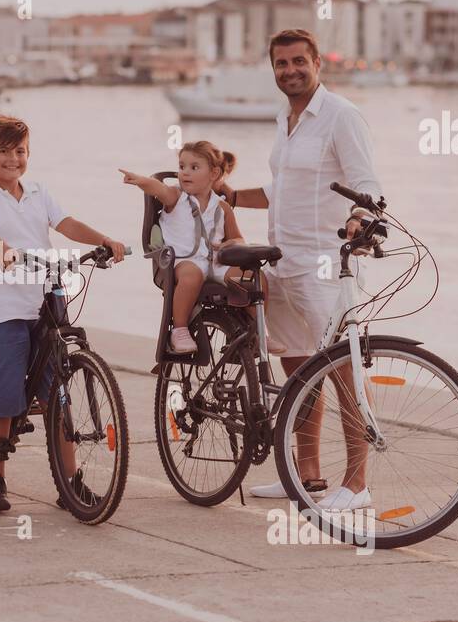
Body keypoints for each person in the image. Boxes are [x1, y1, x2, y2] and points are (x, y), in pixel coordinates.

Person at [213, 29, 383, 513]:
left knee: (341, 370)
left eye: (298, 62)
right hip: (281, 259)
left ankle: (356, 484)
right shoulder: (284, 118)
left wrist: (358, 220)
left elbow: (366, 185)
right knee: (298, 370)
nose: (290, 71)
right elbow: (280, 189)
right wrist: (231, 195)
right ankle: (305, 476)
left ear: (317, 64)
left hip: (325, 263)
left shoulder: (342, 117)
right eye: (281, 64)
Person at [0, 114, 126, 513]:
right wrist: (1, 247)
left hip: (44, 299)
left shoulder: (39, 191)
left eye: (20, 151)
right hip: (3, 304)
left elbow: (66, 224)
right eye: (4, 151)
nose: (13, 159)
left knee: (59, 394)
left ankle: (69, 482)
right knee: (2, 396)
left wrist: (103, 239)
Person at [119, 141, 265, 353]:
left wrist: (228, 244)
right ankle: (179, 330)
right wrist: (141, 181)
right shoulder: (176, 197)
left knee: (254, 276)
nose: (185, 173)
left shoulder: (222, 207)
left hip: (214, 262)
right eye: (181, 167)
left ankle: (259, 331)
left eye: (194, 168)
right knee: (192, 276)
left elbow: (238, 238)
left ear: (214, 173)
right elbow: (158, 188)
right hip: (181, 261)